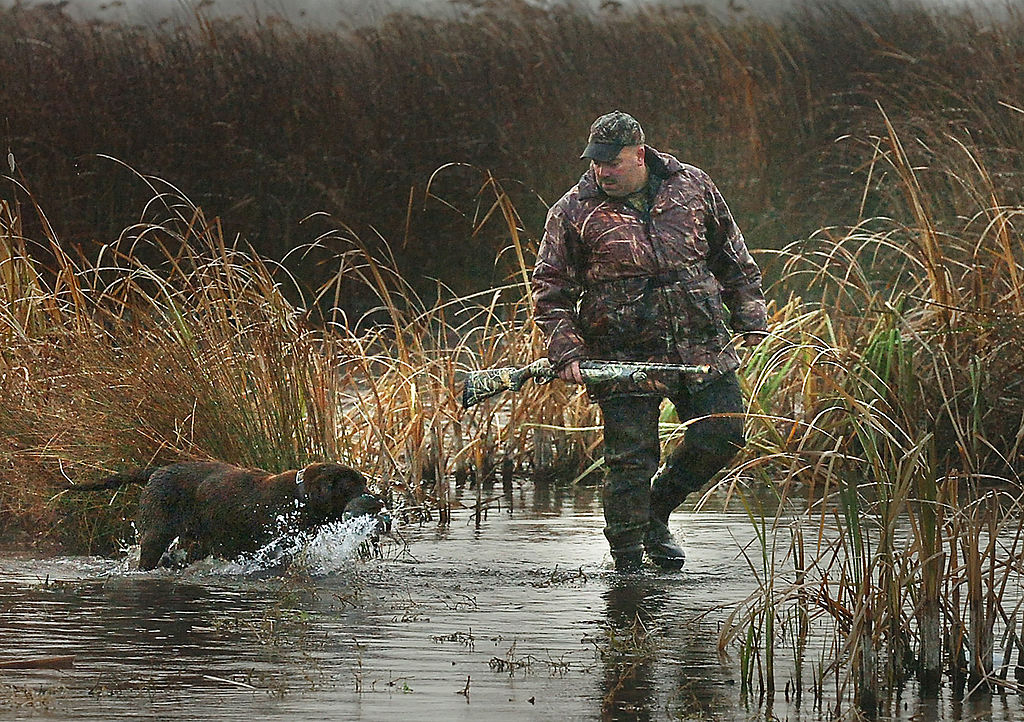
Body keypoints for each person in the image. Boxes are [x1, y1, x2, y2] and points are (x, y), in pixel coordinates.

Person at [531, 111, 768, 572]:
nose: (603, 171)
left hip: (702, 347)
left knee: (723, 436)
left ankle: (655, 513)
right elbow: (550, 288)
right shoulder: (573, 210)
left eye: (614, 162)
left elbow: (732, 256)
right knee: (631, 462)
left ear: (640, 154)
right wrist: (566, 350)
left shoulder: (693, 187)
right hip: (622, 355)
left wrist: (750, 315)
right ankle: (628, 567)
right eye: (596, 162)